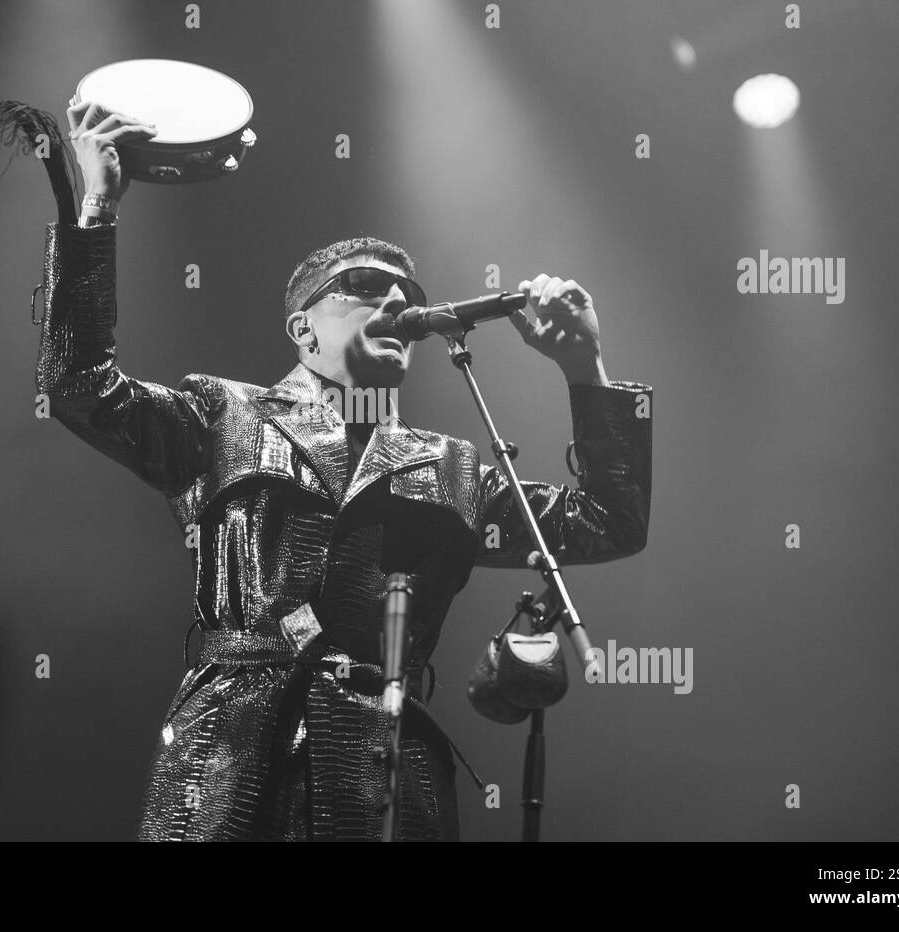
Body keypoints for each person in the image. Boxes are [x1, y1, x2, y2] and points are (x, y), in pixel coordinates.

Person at [34, 99, 653, 841]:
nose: (396, 301)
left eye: (410, 297)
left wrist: (585, 370)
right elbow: (78, 387)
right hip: (230, 753)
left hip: (384, 769)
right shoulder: (220, 415)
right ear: (303, 328)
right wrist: (95, 207)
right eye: (364, 286)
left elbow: (607, 523)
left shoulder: (453, 465)